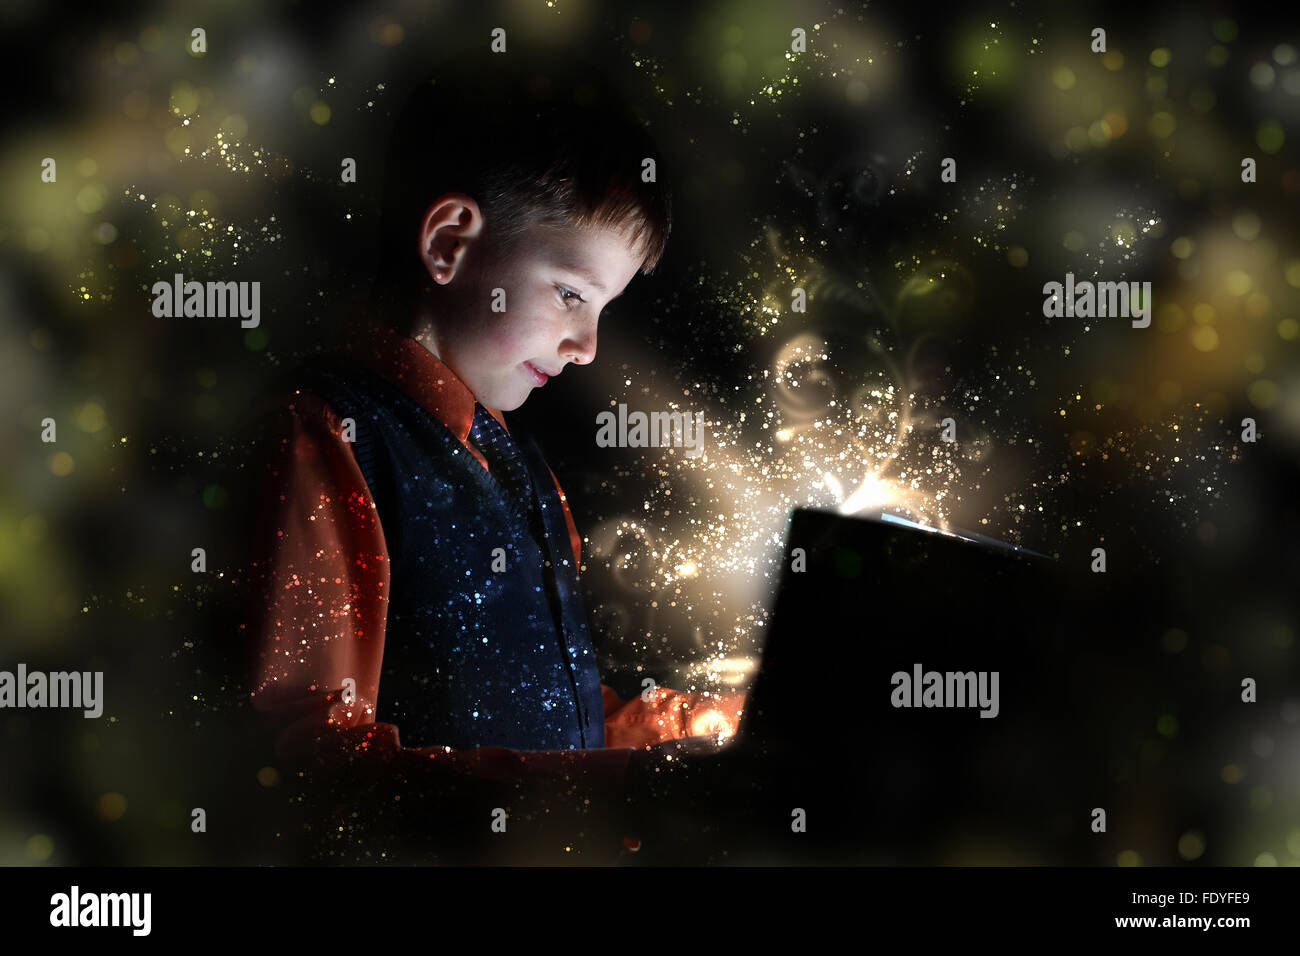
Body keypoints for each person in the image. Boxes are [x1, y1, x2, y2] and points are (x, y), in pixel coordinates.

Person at [242, 49, 746, 864]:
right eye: (573, 295)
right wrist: (624, 787)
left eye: (603, 309)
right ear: (449, 242)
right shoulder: (326, 437)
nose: (586, 347)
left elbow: (554, 713)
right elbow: (309, 769)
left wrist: (689, 730)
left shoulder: (523, 469)